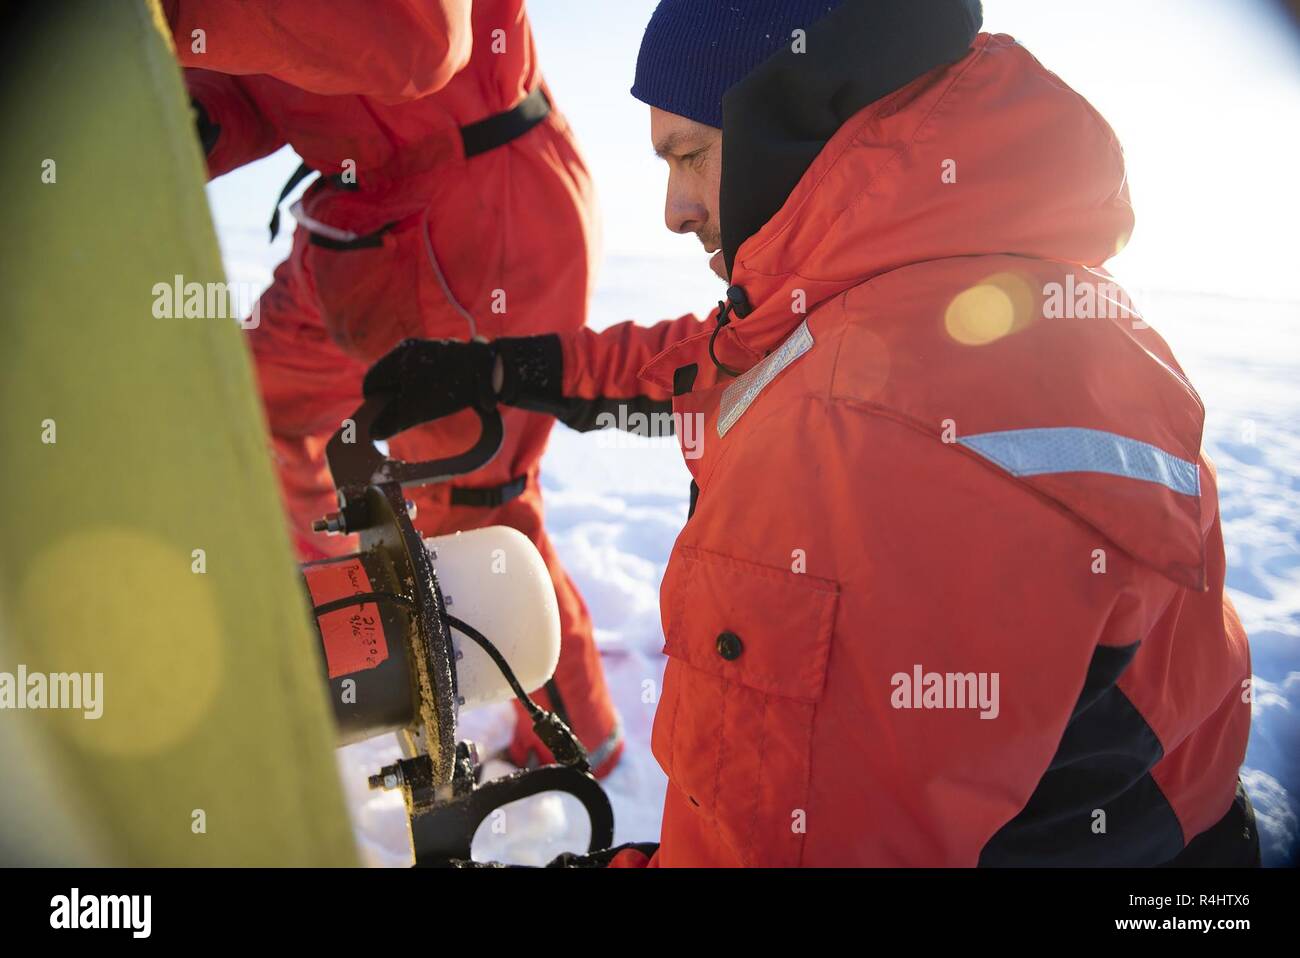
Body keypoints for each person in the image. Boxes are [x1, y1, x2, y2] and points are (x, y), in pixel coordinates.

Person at [363, 0, 1258, 867]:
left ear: (794, 114)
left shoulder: (853, 447)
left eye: (692, 155)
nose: (674, 210)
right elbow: (714, 363)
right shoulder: (983, 286)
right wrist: (500, 370)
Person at [162, 0, 623, 776]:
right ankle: (360, 622)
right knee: (259, 412)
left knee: (474, 502)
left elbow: (418, 36)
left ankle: (570, 746)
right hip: (354, 221)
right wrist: (191, 114)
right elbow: (264, 81)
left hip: (480, 212)